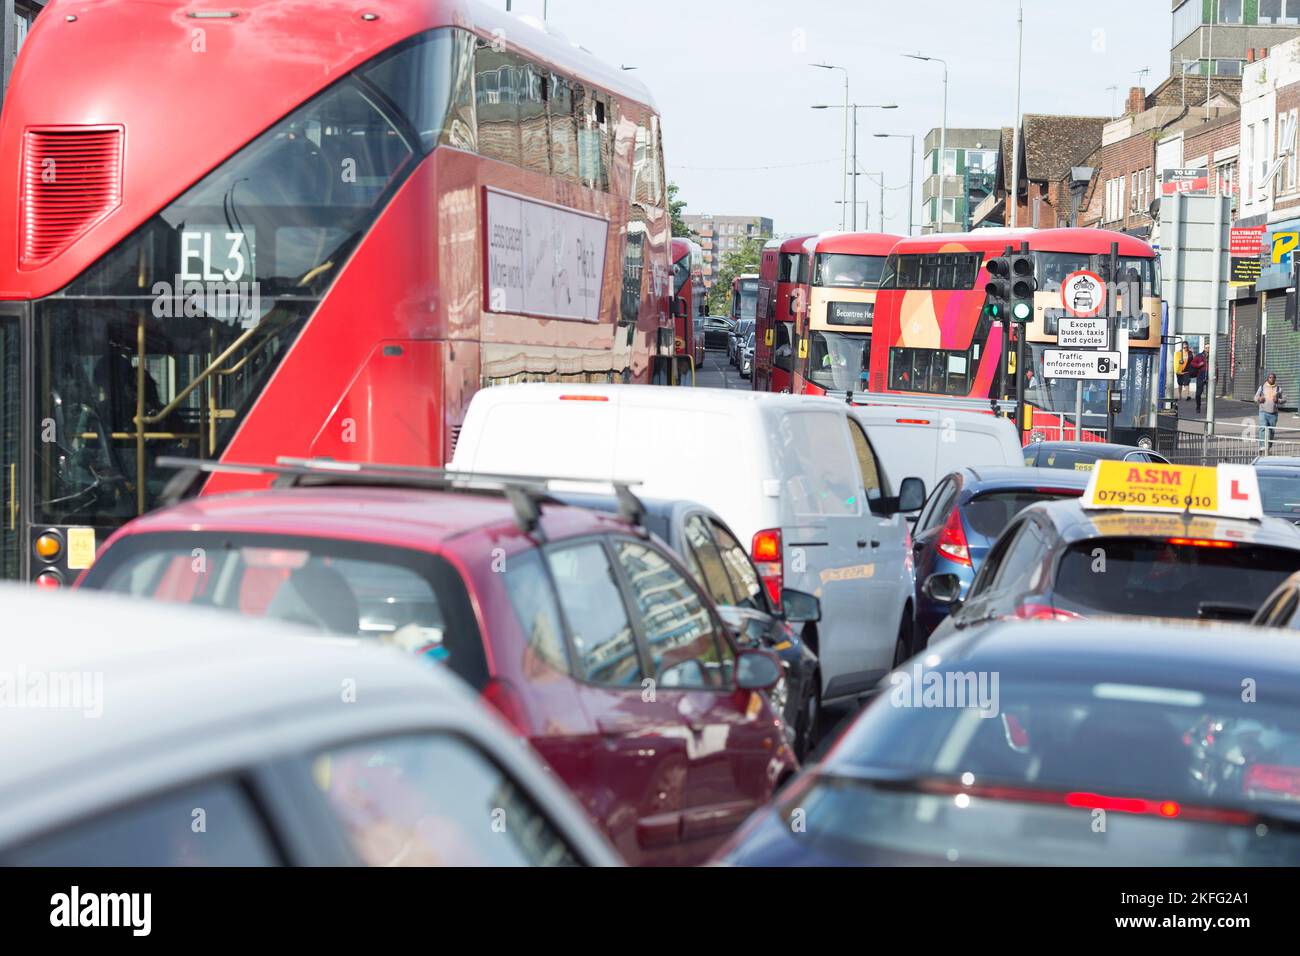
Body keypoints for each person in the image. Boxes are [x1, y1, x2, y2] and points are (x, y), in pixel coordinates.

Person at [1255, 372, 1285, 456]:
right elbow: (1255, 397)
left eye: (1273, 377)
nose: (1272, 379)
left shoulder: (1278, 388)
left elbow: (1285, 399)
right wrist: (1259, 399)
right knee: (1263, 428)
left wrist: (1278, 400)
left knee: (1271, 430)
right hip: (1263, 411)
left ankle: (1269, 446)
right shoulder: (1262, 387)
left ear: (1275, 379)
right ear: (1267, 378)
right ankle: (1262, 447)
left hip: (1273, 413)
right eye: (1270, 377)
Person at [1191, 342, 1209, 414]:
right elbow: (1192, 363)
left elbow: (1216, 367)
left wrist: (1216, 377)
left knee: (1210, 394)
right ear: (1204, 348)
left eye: (1209, 347)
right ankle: (1198, 406)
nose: (1208, 349)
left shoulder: (1213, 355)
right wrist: (1199, 364)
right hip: (1200, 375)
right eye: (1206, 347)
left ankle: (1208, 407)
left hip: (1209, 376)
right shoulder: (1199, 356)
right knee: (1198, 393)